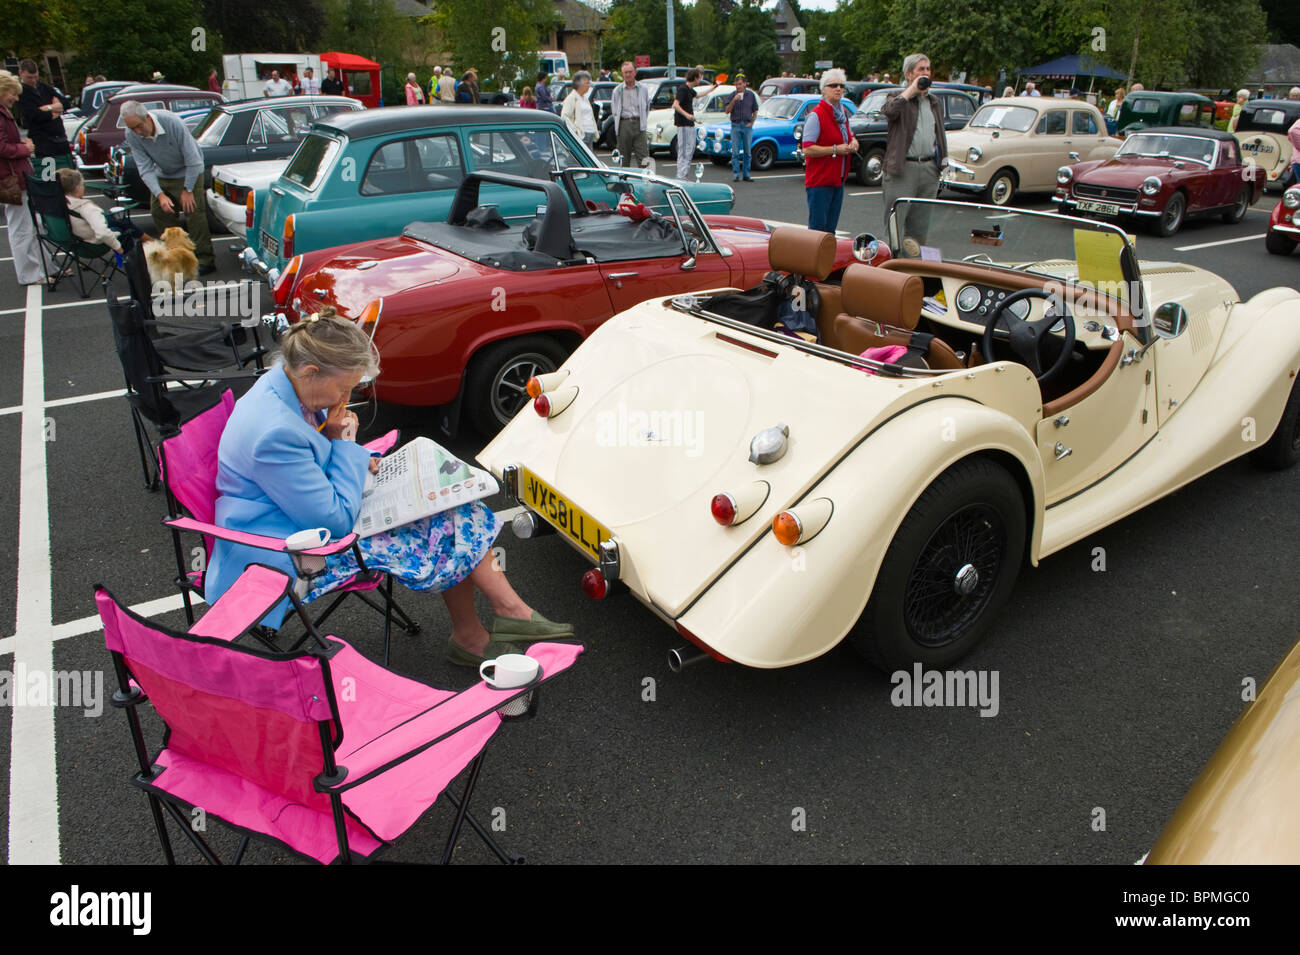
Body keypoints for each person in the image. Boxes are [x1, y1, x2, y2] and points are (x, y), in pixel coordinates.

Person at [205, 313, 574, 665]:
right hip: (283, 549)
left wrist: (344, 449)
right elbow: (332, 521)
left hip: (297, 513)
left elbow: (309, 470)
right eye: (343, 386)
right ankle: (488, 627)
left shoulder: (286, 381)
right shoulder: (275, 432)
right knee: (446, 520)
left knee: (454, 504)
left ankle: (492, 623)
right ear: (311, 371)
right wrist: (344, 444)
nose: (344, 398)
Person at [120, 101, 216, 275]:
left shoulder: (172, 122)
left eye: (139, 127)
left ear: (147, 117)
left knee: (193, 212)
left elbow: (194, 161)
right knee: (158, 211)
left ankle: (205, 259)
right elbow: (145, 168)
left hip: (189, 171)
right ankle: (177, 256)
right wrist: (160, 195)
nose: (137, 132)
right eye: (132, 129)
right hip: (163, 174)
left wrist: (187, 190)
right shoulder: (132, 134)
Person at [880, 53, 946, 241]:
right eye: (921, 70)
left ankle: (912, 267)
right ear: (909, 74)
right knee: (895, 227)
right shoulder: (898, 98)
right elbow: (890, 111)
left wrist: (943, 163)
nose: (926, 73)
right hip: (902, 169)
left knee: (919, 229)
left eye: (928, 69)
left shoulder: (934, 102)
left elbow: (940, 135)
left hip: (928, 169)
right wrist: (912, 90)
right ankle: (890, 268)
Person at [0, 70, 53, 286]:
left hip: (17, 176)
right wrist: (24, 148)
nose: (16, 98)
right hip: (12, 178)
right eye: (12, 93)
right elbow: (2, 147)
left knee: (33, 224)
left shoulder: (3, 113)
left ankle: (44, 266)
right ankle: (30, 274)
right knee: (22, 228)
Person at [801, 68, 858, 234]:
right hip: (820, 181)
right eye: (833, 85)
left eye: (841, 85)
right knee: (818, 231)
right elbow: (807, 148)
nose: (838, 89)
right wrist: (835, 149)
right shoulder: (816, 115)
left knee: (831, 230)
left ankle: (828, 260)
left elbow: (850, 136)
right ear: (824, 89)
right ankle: (814, 260)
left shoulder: (842, 114)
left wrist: (854, 143)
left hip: (838, 180)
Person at [56, 167, 141, 253]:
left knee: (118, 219)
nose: (83, 187)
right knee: (123, 227)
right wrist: (118, 248)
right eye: (82, 184)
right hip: (92, 244)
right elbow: (102, 233)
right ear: (77, 188)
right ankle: (134, 258)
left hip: (77, 236)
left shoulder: (60, 202)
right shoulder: (86, 207)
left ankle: (146, 239)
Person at [17, 59, 73, 172]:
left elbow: (66, 103)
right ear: (20, 73)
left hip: (61, 140)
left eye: (35, 77)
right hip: (43, 144)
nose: (33, 81)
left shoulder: (44, 87)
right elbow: (33, 115)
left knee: (68, 177)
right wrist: (55, 109)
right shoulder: (21, 92)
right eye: (29, 78)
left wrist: (48, 108)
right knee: (49, 179)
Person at [673, 68, 716, 181]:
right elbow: (675, 105)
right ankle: (681, 176)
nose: (700, 79)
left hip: (688, 124)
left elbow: (698, 95)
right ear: (695, 77)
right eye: (699, 77)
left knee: (689, 149)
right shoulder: (683, 89)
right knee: (684, 150)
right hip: (684, 124)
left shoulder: (689, 89)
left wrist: (712, 88)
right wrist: (687, 115)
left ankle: (683, 175)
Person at [610, 61, 649, 169]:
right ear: (622, 74)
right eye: (625, 72)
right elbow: (614, 111)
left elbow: (646, 107)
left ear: (635, 73)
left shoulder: (643, 89)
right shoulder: (617, 90)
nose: (628, 75)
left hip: (639, 124)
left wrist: (643, 121)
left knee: (643, 157)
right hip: (624, 124)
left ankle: (645, 182)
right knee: (623, 158)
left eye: (630, 72)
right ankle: (624, 182)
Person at [724, 72, 759, 182]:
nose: (738, 86)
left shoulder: (751, 95)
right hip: (735, 125)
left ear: (745, 84)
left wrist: (752, 122)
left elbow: (755, 110)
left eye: (740, 84)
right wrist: (734, 100)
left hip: (747, 125)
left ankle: (746, 174)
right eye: (736, 84)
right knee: (735, 151)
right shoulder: (732, 95)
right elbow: (726, 111)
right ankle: (735, 174)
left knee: (748, 152)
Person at [561, 71, 597, 148]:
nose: (589, 86)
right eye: (587, 83)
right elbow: (564, 116)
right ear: (579, 84)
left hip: (590, 133)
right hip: (581, 135)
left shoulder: (585, 99)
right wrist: (575, 131)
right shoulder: (571, 98)